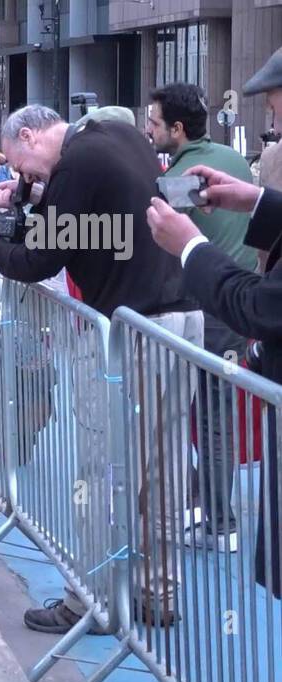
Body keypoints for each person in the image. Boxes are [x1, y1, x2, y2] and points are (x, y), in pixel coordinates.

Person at [0, 104, 202, 631]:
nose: (26, 177)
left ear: (29, 135)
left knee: (104, 471)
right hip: (182, 319)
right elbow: (89, 225)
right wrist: (34, 198)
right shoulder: (119, 136)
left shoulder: (76, 163)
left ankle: (90, 599)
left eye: (22, 166)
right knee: (164, 468)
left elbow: (40, 260)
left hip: (128, 332)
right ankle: (159, 593)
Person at [146, 46, 282, 598]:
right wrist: (256, 202)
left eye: (277, 110)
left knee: (213, 420)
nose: (273, 125)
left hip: (224, 310)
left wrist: (190, 248)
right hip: (226, 315)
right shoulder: (229, 159)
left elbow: (263, 308)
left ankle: (218, 514)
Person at [148, 82, 259, 551]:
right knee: (216, 416)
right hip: (238, 305)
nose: (147, 131)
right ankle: (214, 514)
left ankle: (217, 520)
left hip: (205, 307)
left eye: (153, 124)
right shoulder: (231, 162)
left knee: (186, 416)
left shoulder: (177, 176)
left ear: (176, 129)